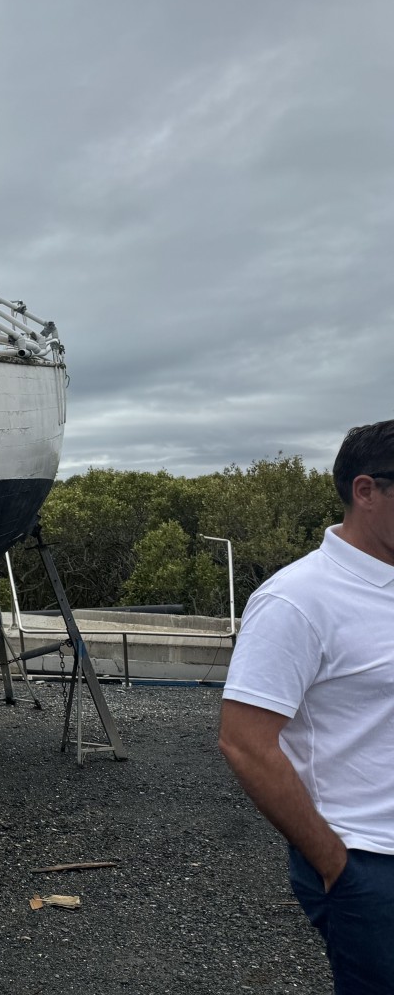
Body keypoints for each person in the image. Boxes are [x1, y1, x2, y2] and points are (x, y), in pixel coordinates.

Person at [220, 420, 394, 993]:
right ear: (366, 491)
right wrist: (334, 864)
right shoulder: (296, 600)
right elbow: (244, 742)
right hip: (370, 861)